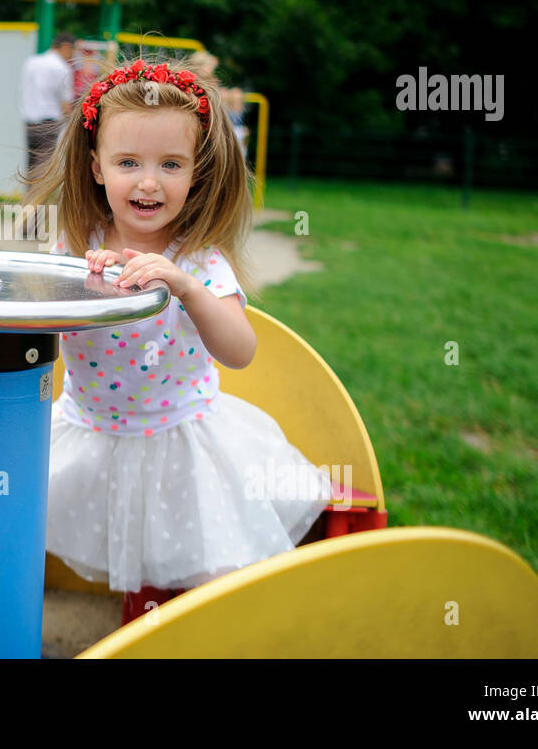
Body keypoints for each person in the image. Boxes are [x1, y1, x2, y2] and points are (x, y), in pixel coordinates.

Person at [23, 54, 329, 622]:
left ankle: (184, 633)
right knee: (115, 554)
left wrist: (186, 288)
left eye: (170, 164)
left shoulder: (199, 261)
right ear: (96, 167)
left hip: (180, 442)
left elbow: (241, 351)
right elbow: (40, 336)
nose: (147, 181)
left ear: (196, 173)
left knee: (200, 569)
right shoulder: (73, 249)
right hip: (92, 433)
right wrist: (78, 291)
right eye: (129, 161)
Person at [19, 31, 76, 175]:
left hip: (29, 122)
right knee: (44, 167)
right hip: (49, 124)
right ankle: (40, 197)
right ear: (65, 46)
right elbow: (65, 104)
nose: (72, 56)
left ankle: (30, 197)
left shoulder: (30, 62)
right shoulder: (62, 68)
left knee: (31, 167)